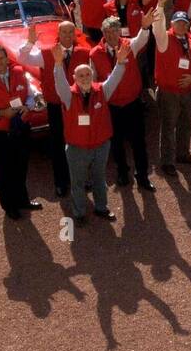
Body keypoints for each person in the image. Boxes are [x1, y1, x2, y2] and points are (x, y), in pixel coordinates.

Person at [51, 40, 129, 225]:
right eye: (81, 75)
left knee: (99, 178)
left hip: (101, 145)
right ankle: (79, 213)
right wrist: (57, 64)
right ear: (74, 78)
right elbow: (59, 82)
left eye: (87, 74)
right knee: (77, 183)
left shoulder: (102, 90)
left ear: (92, 76)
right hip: (77, 148)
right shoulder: (68, 95)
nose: (85, 78)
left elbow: (115, 78)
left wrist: (120, 62)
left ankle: (101, 208)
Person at [16, 21, 89, 199]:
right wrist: (30, 42)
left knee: (80, 142)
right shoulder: (46, 54)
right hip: (56, 106)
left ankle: (81, 178)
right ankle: (61, 182)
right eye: (64, 32)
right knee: (57, 144)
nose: (67, 35)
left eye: (70, 32)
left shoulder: (84, 53)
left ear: (75, 34)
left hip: (78, 105)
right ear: (59, 34)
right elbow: (22, 58)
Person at [0, 44, 45, 219]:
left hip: (20, 129)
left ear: (7, 59)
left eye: (1, 58)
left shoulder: (20, 73)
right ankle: (9, 206)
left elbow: (30, 94)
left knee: (21, 166)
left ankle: (22, 200)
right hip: (0, 135)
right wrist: (1, 113)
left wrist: (28, 106)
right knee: (3, 171)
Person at [90, 13, 155, 189]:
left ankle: (142, 176)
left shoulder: (129, 45)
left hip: (133, 103)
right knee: (116, 143)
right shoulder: (95, 54)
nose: (111, 35)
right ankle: (122, 173)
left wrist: (145, 27)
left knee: (138, 142)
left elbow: (141, 39)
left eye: (114, 31)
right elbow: (94, 80)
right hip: (112, 106)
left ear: (120, 32)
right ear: (103, 33)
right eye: (107, 32)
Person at [152, 0, 191, 176]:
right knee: (168, 127)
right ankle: (167, 162)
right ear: (172, 24)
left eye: (184, 23)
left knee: (186, 124)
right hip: (169, 92)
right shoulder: (163, 39)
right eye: (178, 23)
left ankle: (183, 153)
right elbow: (156, 25)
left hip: (188, 91)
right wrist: (160, 4)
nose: (182, 26)